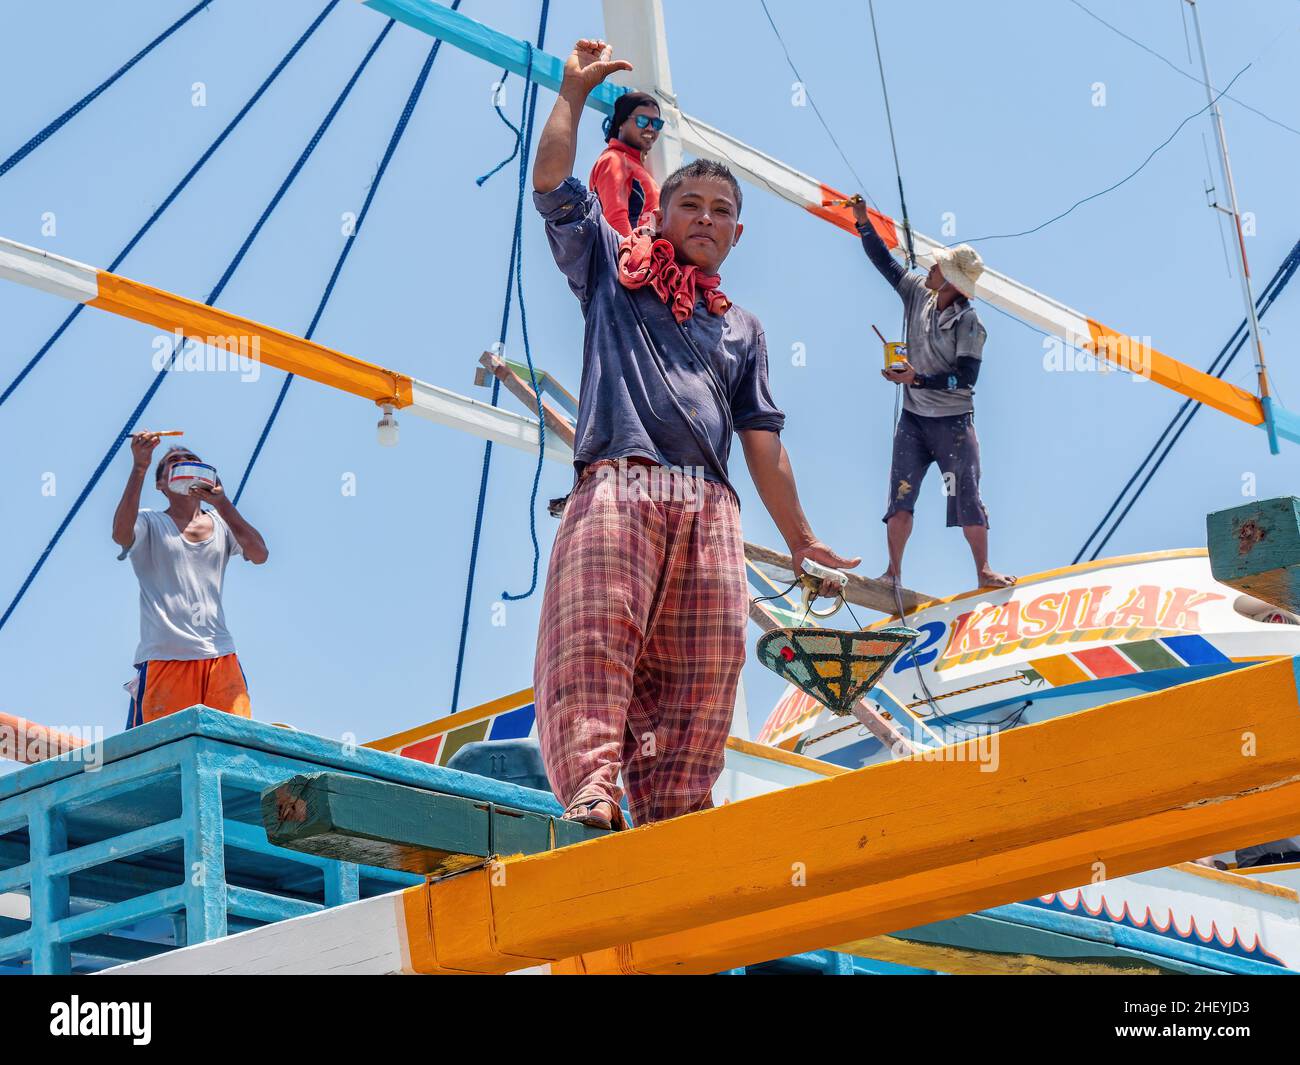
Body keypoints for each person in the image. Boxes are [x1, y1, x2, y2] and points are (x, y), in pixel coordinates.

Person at [530, 39, 858, 831]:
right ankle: (593, 792)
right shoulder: (615, 270)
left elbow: (762, 443)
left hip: (710, 508)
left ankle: (676, 816)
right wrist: (572, 95)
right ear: (659, 213)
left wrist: (802, 538)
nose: (705, 219)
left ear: (737, 235)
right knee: (594, 638)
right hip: (621, 480)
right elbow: (552, 186)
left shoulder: (741, 327)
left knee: (707, 671)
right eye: (690, 206)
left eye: (722, 212)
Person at [849, 194, 1015, 590]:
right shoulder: (920, 294)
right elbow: (885, 263)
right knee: (900, 497)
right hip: (914, 420)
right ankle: (893, 573)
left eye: (938, 266)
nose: (931, 267)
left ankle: (983, 571)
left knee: (967, 495)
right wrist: (861, 222)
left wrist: (917, 380)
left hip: (953, 424)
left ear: (953, 283)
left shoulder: (968, 323)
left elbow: (965, 378)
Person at [111, 435, 268, 728]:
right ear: (161, 484)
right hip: (165, 656)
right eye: (174, 462)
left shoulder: (222, 524)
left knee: (233, 741)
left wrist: (222, 502)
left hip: (219, 655)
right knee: (161, 750)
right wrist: (140, 468)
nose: (185, 464)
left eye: (192, 461)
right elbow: (121, 534)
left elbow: (259, 554)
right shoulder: (150, 522)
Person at [588, 90, 662, 236]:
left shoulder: (637, 167)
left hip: (647, 254)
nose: (650, 128)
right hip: (628, 255)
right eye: (642, 120)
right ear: (621, 123)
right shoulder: (614, 160)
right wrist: (628, 257)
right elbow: (615, 219)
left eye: (656, 123)